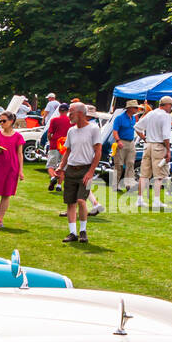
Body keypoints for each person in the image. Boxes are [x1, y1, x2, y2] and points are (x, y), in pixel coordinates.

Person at [56, 101, 101, 243]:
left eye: (71, 111)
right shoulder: (71, 131)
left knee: (81, 200)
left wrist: (91, 171)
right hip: (71, 169)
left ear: (81, 113)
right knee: (70, 203)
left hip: (85, 169)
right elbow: (67, 151)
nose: (69, 114)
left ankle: (83, 231)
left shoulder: (93, 129)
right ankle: (72, 233)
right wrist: (61, 167)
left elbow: (98, 151)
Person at [0, 111, 24, 228]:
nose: (1, 123)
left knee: (6, 194)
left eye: (4, 121)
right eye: (0, 121)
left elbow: (20, 154)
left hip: (12, 168)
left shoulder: (18, 136)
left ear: (11, 121)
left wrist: (20, 171)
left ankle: (0, 219)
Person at [137, 95, 172, 209]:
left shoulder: (151, 113)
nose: (171, 108)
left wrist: (144, 138)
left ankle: (140, 199)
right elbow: (165, 136)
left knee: (144, 174)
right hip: (159, 146)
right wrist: (168, 150)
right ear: (167, 105)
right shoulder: (166, 116)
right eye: (171, 105)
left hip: (148, 145)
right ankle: (156, 201)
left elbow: (137, 127)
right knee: (159, 175)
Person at [111, 99, 139, 190]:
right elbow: (115, 131)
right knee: (118, 165)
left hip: (131, 142)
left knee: (130, 163)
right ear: (129, 108)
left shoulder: (134, 118)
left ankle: (128, 185)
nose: (137, 109)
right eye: (135, 107)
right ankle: (115, 185)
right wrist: (118, 141)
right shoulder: (119, 118)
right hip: (121, 142)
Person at [44, 102, 70, 192]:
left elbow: (50, 133)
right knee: (63, 167)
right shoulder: (71, 121)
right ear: (68, 111)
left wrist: (50, 140)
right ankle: (59, 185)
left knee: (51, 165)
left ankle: (52, 177)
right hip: (66, 146)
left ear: (59, 110)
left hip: (55, 144)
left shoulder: (54, 120)